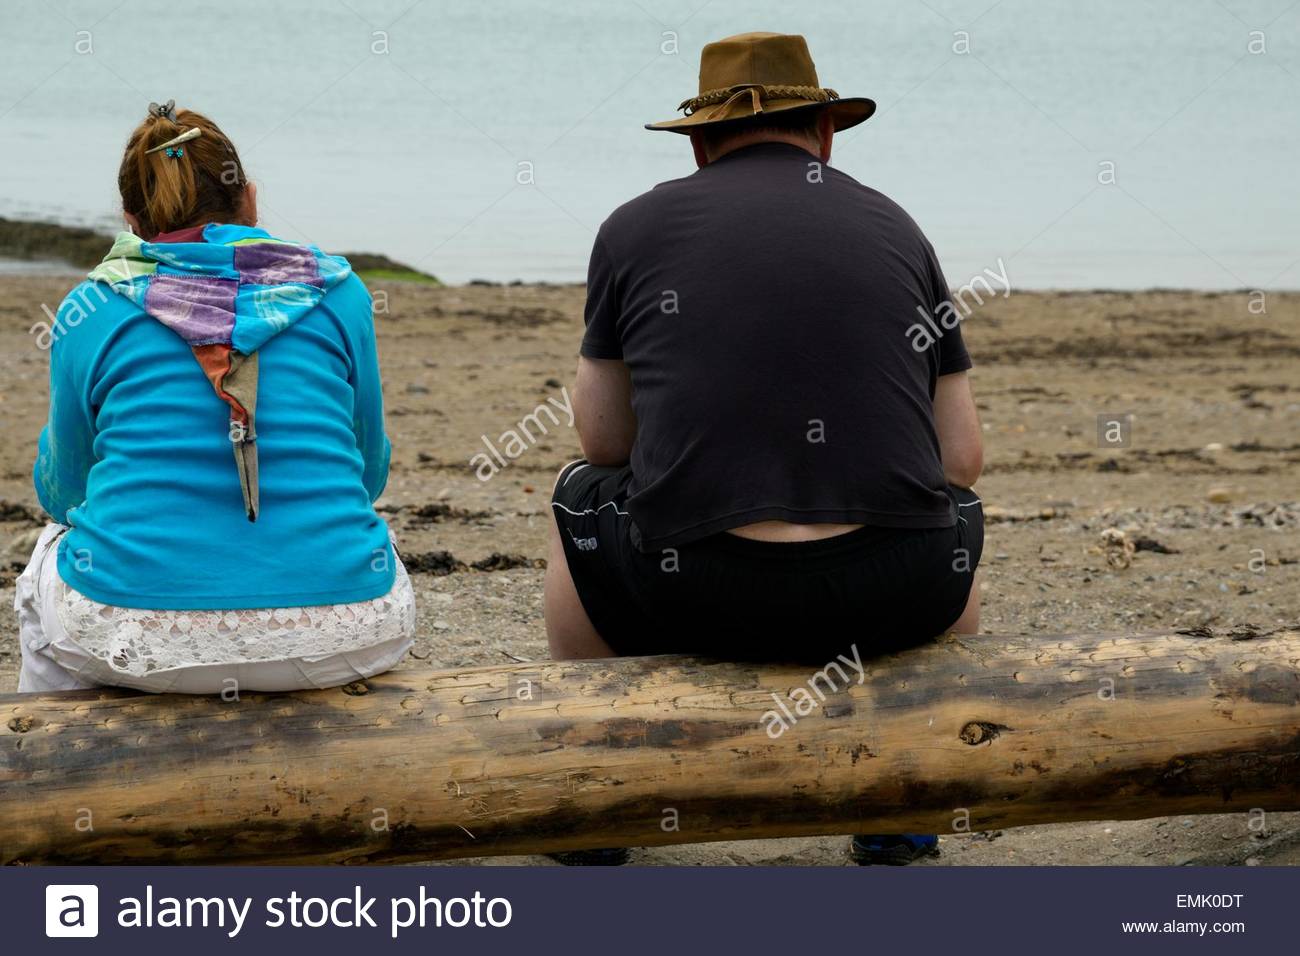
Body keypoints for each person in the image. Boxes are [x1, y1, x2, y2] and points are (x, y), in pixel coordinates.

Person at [545, 33, 984, 866]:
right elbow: (960, 457)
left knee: (576, 493)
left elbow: (603, 441)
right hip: (890, 588)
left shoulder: (632, 226)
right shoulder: (896, 224)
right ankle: (902, 798)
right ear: (824, 133)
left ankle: (604, 805)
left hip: (696, 588)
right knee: (955, 509)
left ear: (701, 144)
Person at [14, 101, 413, 694]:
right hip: (346, 624)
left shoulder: (89, 307)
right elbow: (368, 471)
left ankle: (46, 760)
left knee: (46, 562)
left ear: (130, 223)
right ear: (249, 200)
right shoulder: (340, 294)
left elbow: (66, 491)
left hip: (133, 632)